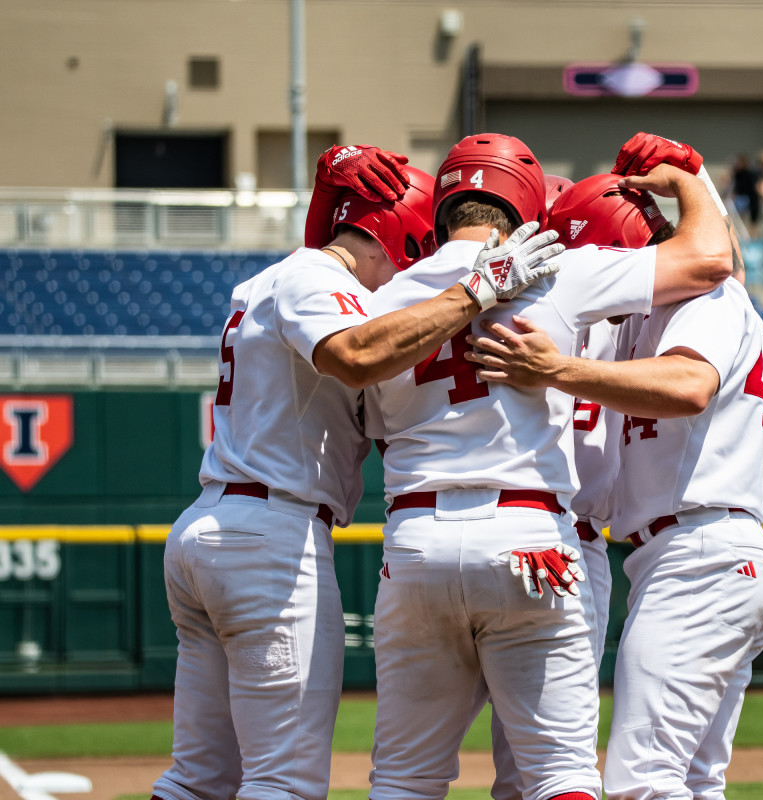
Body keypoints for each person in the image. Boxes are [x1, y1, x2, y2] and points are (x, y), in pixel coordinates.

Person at [150, 148, 563, 800]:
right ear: (397, 237)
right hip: (269, 537)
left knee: (197, 780)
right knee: (283, 781)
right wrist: (477, 290)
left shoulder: (276, 277)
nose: (412, 272)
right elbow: (357, 353)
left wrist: (328, 196)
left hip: (218, 523)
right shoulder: (317, 280)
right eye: (415, 251)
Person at [365, 132, 732, 800]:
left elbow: (369, 425)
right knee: (559, 774)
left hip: (414, 540)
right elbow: (710, 260)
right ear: (529, 204)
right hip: (531, 539)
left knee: (403, 778)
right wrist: (688, 178)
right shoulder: (560, 274)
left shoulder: (385, 299)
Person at [469, 137, 763, 800]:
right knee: (694, 782)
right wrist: (696, 181)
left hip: (698, 554)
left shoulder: (704, 303)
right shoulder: (696, 305)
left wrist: (556, 369)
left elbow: (689, 385)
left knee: (641, 782)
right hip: (714, 548)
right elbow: (720, 265)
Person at [482, 169, 677, 800]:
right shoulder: (623, 311)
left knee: (507, 759)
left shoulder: (516, 301)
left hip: (509, 522)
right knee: (555, 759)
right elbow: (716, 270)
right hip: (564, 535)